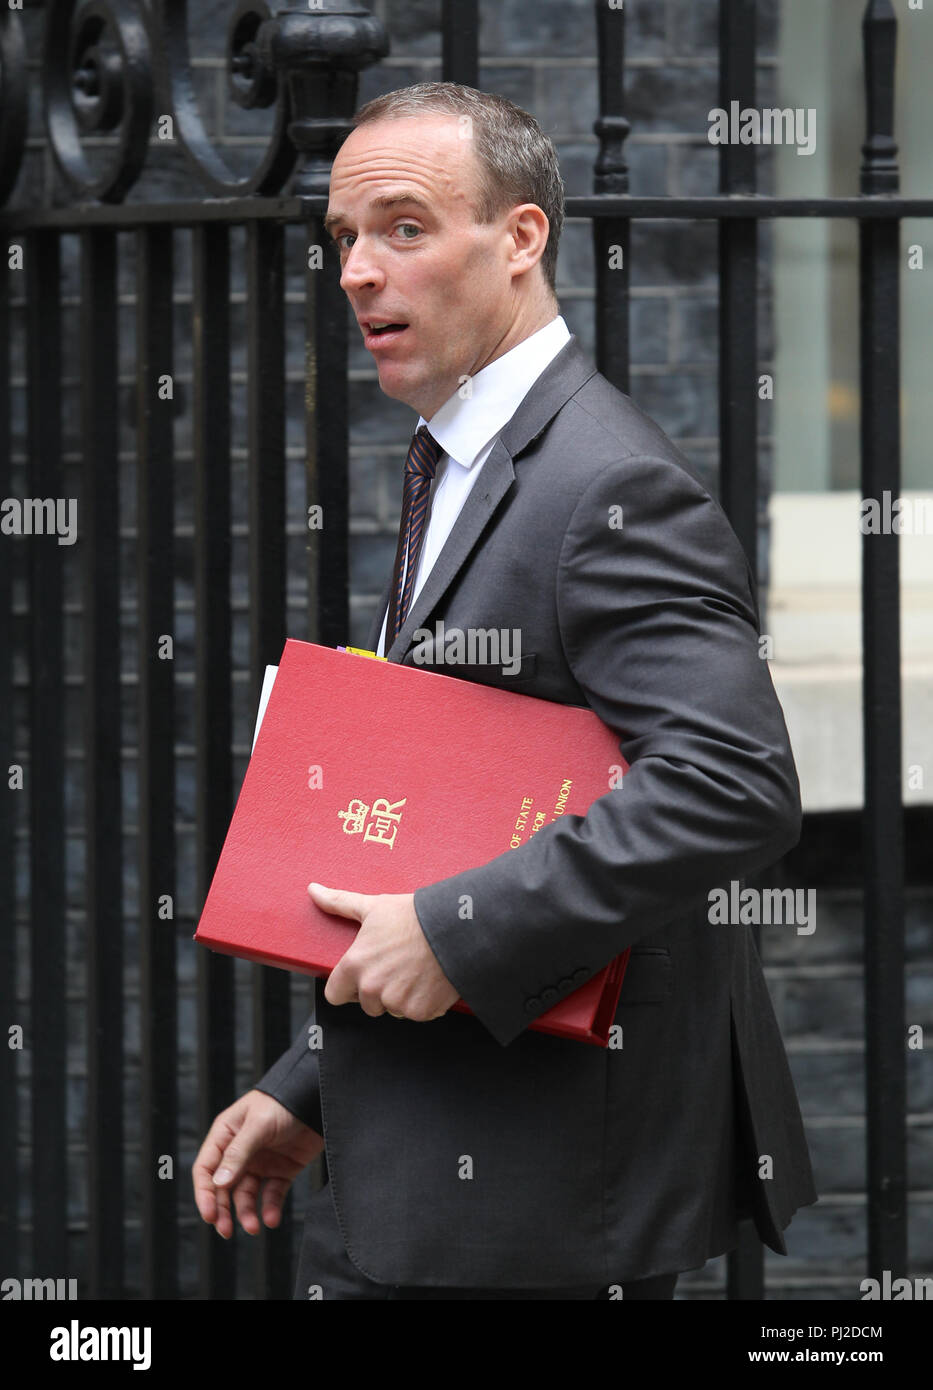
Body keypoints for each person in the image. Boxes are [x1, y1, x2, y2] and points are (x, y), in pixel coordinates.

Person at [193, 82, 817, 1300]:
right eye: (344, 238)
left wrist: (453, 932)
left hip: (537, 1205)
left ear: (522, 237)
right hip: (422, 1164)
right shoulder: (459, 461)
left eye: (404, 227)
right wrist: (311, 1083)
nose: (358, 270)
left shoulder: (609, 485)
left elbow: (734, 783)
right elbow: (444, 823)